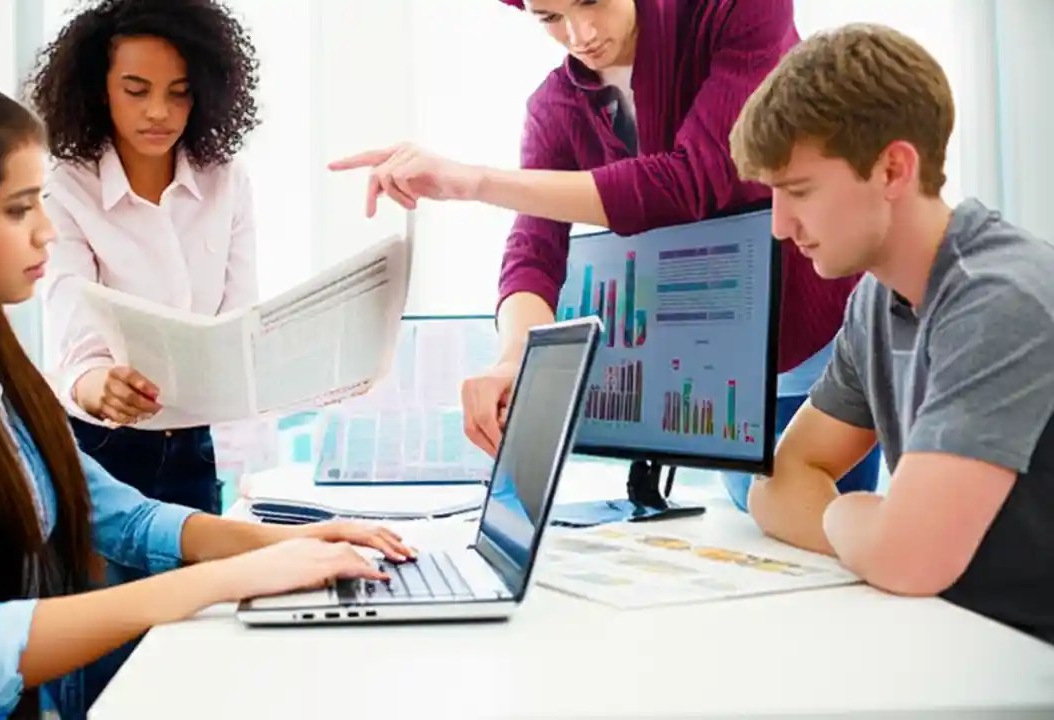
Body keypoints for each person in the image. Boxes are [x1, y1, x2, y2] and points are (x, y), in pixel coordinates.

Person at [0, 67, 412, 719]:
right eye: (20, 208)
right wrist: (223, 580)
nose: (47, 231)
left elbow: (126, 519)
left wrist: (291, 544)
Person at [328, 0, 878, 508]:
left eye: (592, 0)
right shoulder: (555, 107)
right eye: (549, 17)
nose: (580, 35)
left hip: (817, 347)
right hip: (716, 388)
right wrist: (516, 356)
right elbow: (534, 250)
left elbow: (695, 180)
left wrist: (471, 182)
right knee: (755, 522)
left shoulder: (737, 9)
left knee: (824, 538)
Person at [729, 23, 1054, 644]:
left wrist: (874, 527)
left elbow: (910, 559)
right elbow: (776, 482)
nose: (779, 225)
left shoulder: (1000, 296)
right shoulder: (876, 301)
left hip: (1026, 659)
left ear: (892, 168)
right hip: (952, 634)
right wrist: (858, 522)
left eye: (798, 191)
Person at [28, 0, 260, 519]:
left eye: (179, 93)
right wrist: (98, 389)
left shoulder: (225, 180)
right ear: (99, 89)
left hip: (194, 442)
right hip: (101, 446)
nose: (159, 111)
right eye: (136, 91)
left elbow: (242, 317)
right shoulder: (66, 188)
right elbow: (74, 332)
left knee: (202, 595)